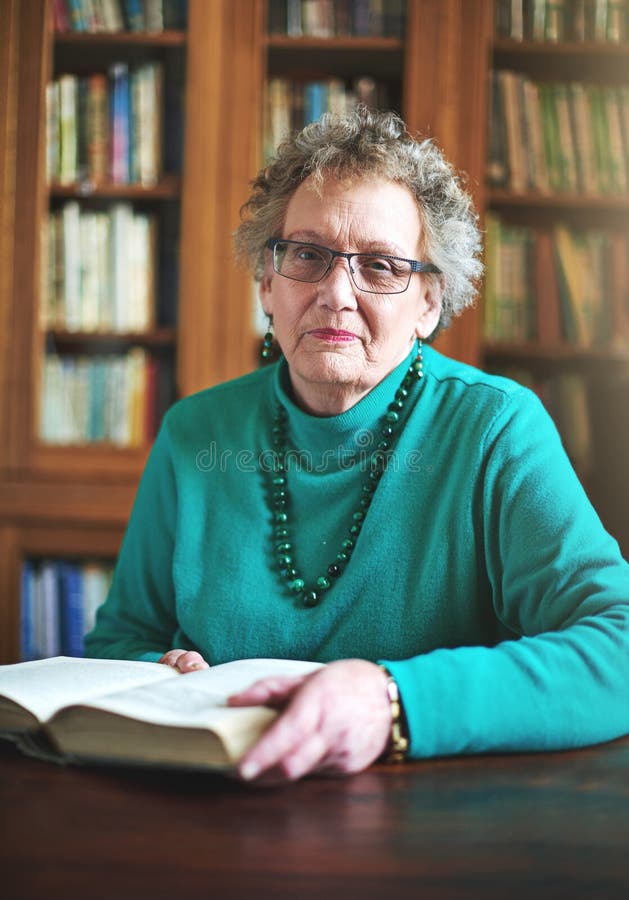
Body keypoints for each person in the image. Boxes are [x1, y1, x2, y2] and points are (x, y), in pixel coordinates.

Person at [85, 108, 629, 783]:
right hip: (218, 803)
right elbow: (119, 641)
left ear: (428, 303)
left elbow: (617, 649)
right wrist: (153, 673)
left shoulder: (494, 429)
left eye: (378, 266)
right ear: (266, 281)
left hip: (430, 827)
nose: (335, 294)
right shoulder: (194, 434)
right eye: (307, 255)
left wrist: (392, 701)